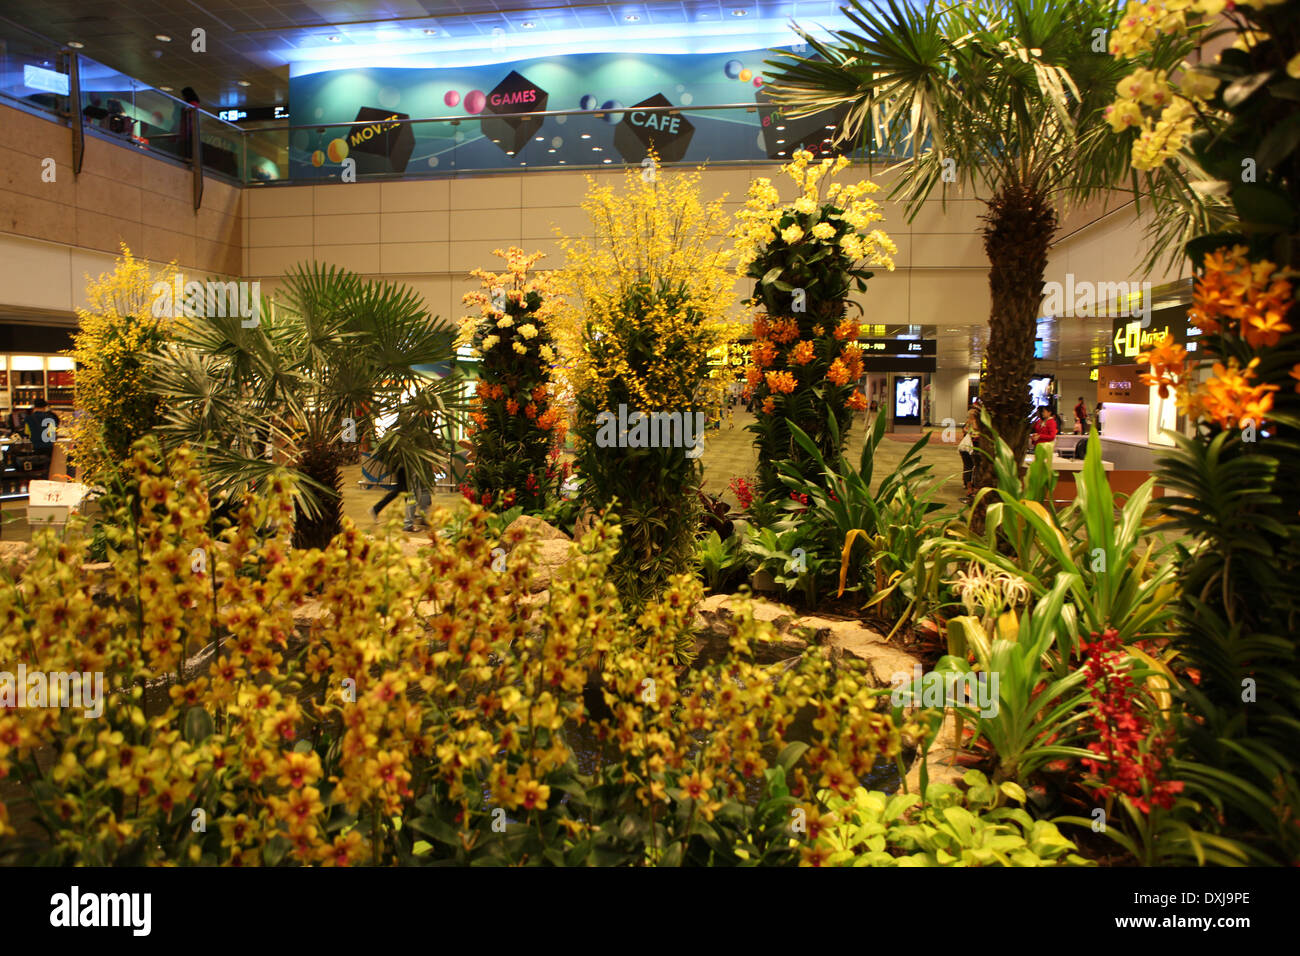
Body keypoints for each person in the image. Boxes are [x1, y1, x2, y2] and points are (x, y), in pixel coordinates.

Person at [957, 401, 979, 503]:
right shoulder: (974, 422)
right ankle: (971, 489)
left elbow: (965, 431)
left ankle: (968, 486)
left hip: (964, 447)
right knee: (973, 467)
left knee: (967, 467)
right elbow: (975, 429)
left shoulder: (967, 423)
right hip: (971, 448)